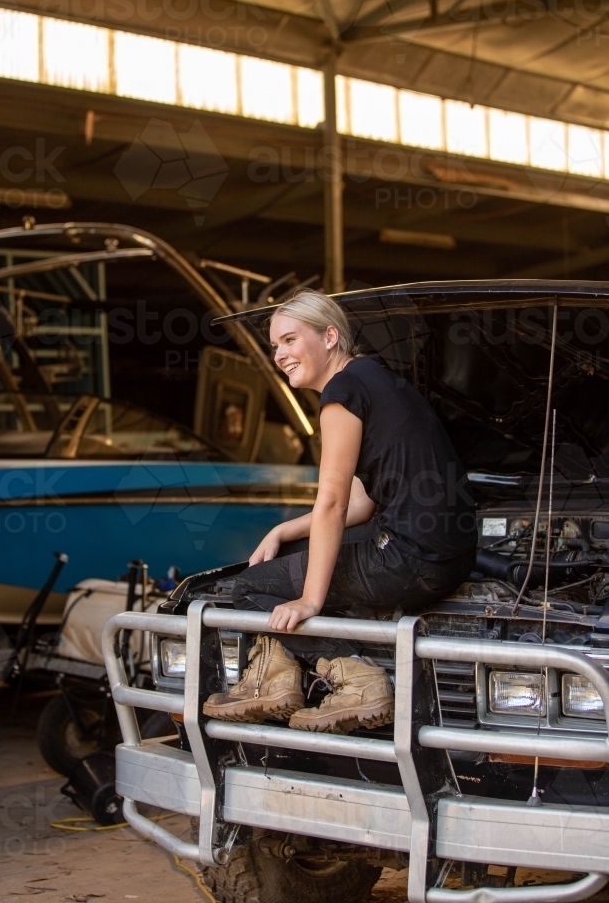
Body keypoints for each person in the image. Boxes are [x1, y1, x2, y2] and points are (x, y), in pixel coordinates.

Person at [204, 289, 477, 733]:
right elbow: (363, 501)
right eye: (275, 345)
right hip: (448, 556)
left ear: (330, 336)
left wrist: (310, 599)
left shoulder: (341, 391)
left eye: (290, 340)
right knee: (296, 554)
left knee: (251, 587)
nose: (280, 354)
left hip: (409, 558)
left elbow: (332, 502)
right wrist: (282, 529)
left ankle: (357, 678)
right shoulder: (377, 378)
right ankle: (275, 678)